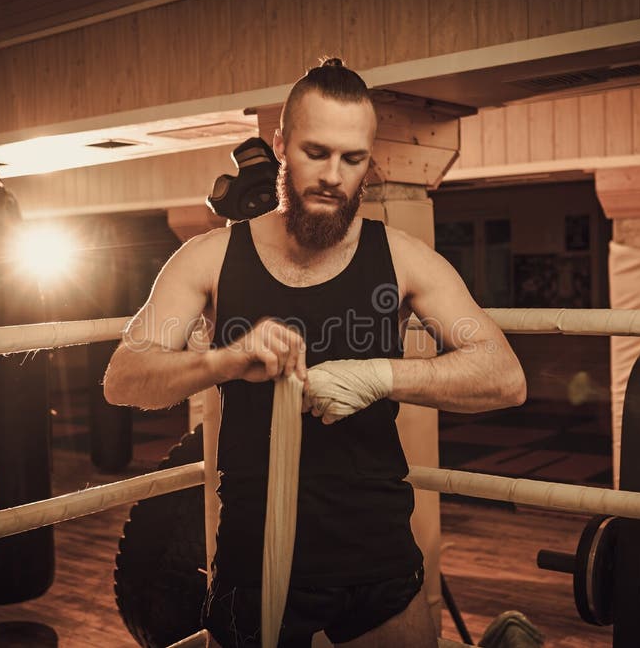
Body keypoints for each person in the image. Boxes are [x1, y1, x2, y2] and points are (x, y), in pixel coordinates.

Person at [103, 58, 527, 648]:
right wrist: (221, 361)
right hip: (255, 560)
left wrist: (380, 376)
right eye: (316, 152)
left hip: (377, 557)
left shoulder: (401, 259)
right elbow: (124, 379)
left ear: (369, 160)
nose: (333, 175)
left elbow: (504, 376)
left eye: (352, 159)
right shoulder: (209, 259)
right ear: (281, 145)